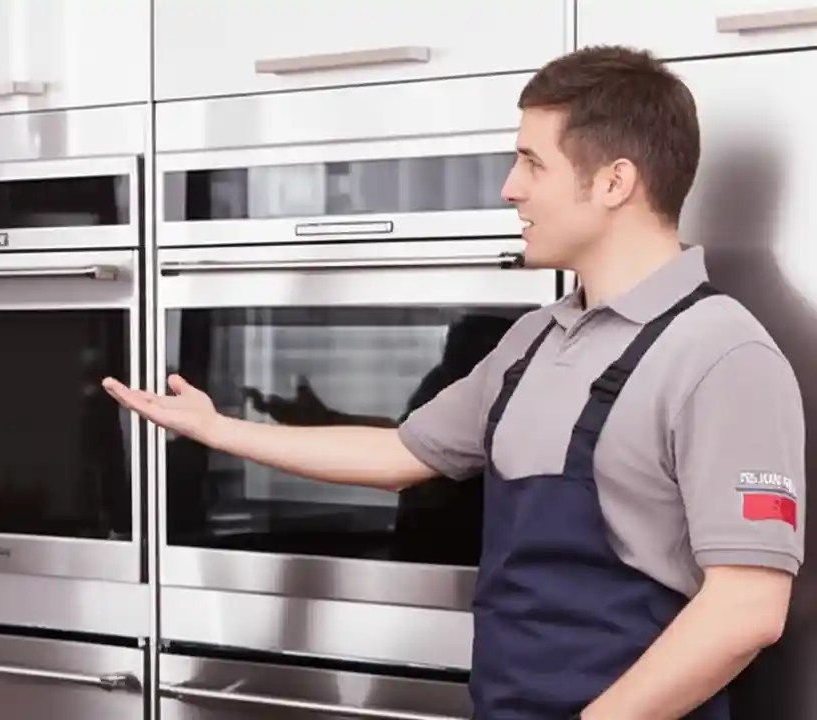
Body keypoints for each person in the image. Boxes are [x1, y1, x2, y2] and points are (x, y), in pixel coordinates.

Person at [104, 45, 805, 720]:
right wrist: (215, 426)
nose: (509, 187)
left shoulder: (722, 354)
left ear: (615, 182)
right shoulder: (534, 340)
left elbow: (746, 609)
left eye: (532, 161)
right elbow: (398, 456)